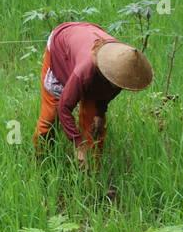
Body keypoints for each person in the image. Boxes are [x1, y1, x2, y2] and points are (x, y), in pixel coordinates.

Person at [33, 21, 153, 170]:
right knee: (49, 119)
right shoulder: (84, 72)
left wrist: (100, 113)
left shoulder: (125, 68)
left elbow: (107, 93)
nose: (119, 87)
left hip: (88, 38)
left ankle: (91, 178)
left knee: (95, 128)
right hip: (63, 45)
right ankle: (40, 162)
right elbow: (64, 108)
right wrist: (77, 144)